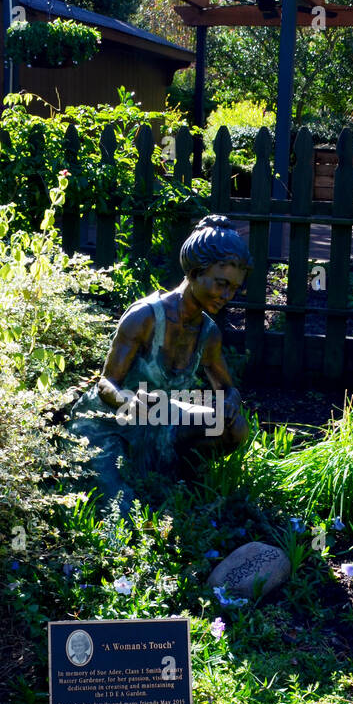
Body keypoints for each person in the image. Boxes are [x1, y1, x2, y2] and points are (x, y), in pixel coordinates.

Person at [68, 215, 252, 510]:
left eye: (234, 288)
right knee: (120, 508)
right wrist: (128, 401)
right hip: (112, 419)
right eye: (221, 284)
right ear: (195, 272)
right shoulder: (145, 317)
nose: (227, 296)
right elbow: (106, 383)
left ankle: (180, 474)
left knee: (234, 427)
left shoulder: (208, 333)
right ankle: (145, 478)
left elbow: (227, 389)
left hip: (160, 416)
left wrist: (230, 401)